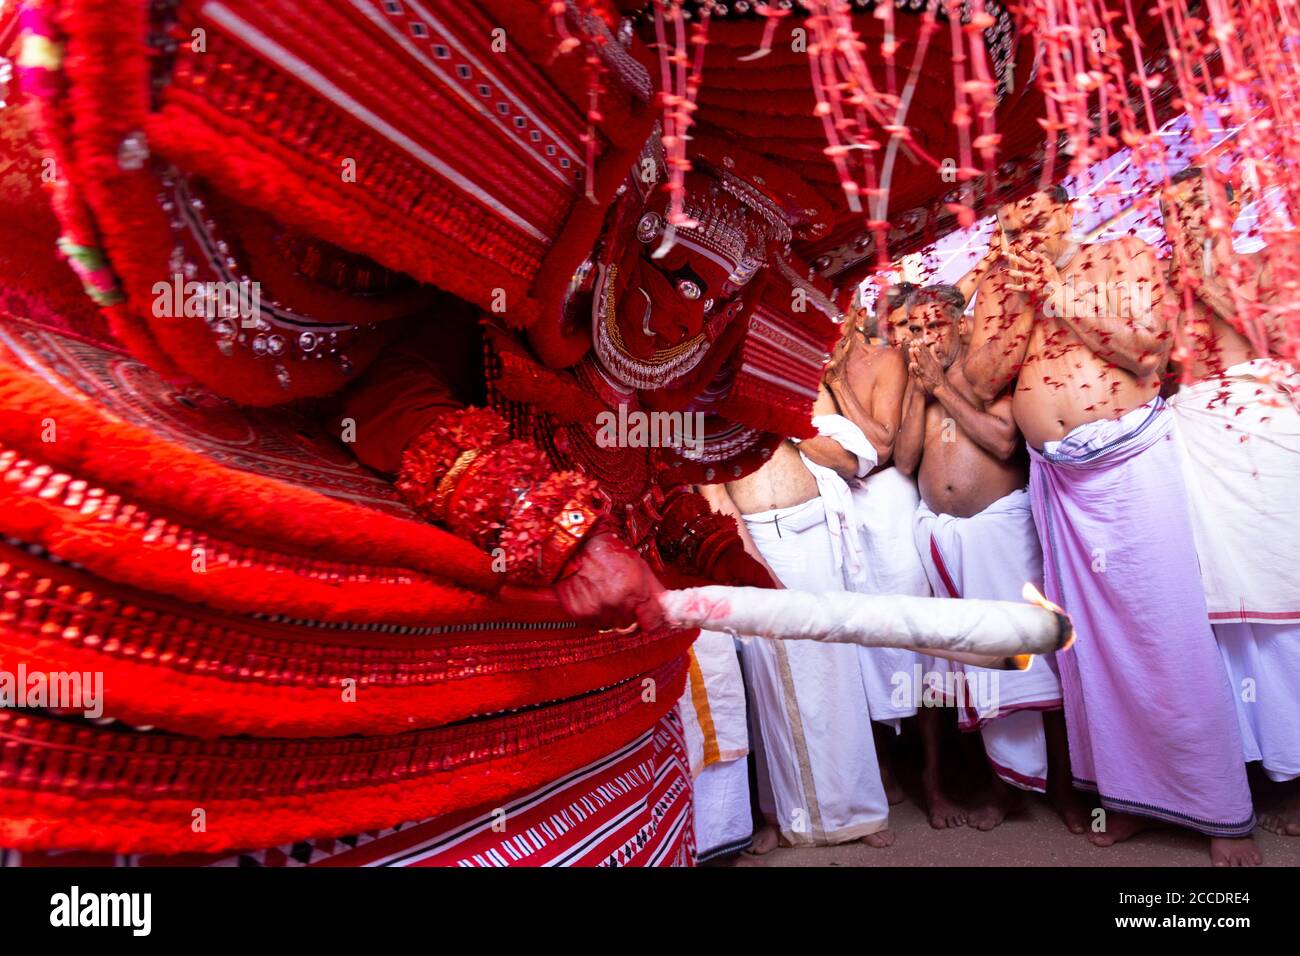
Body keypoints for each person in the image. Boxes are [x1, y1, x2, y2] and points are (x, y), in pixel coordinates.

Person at [961, 185, 1260, 865]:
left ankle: (1222, 812)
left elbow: (1150, 352)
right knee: (1088, 653)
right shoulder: (1007, 289)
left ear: (1066, 214)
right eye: (1009, 229)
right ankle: (1126, 800)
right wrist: (1019, 301)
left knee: (1167, 633)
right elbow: (981, 382)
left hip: (1129, 467)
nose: (1023, 238)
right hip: (1056, 480)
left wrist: (1060, 294)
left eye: (1033, 221)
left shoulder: (1120, 255)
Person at [896, 284, 1083, 832]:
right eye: (914, 329)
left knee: (1035, 659)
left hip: (1002, 532)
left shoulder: (990, 370)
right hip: (946, 540)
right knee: (961, 667)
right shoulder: (921, 382)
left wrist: (942, 389)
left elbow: (1003, 442)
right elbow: (906, 458)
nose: (925, 338)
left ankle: (1065, 789)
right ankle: (999, 787)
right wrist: (917, 391)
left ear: (962, 323)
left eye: (934, 326)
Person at [1163, 167, 1300, 836]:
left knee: (1285, 610)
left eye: (1199, 204)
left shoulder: (1269, 261)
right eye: (1174, 208)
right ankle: (1237, 771)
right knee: (1210, 613)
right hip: (1191, 437)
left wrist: (1201, 273)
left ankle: (1297, 771)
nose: (1184, 217)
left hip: (1264, 431)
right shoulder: (1161, 286)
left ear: (1234, 204)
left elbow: (1278, 338)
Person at [712, 384, 896, 849]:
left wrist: (781, 414)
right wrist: (750, 562)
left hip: (814, 533)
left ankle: (860, 813)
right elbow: (715, 493)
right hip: (759, 541)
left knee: (836, 678)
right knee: (769, 681)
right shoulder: (704, 398)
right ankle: (780, 819)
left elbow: (850, 459)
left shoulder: (797, 384)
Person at [824, 285, 923, 809]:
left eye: (834, 316)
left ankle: (932, 775)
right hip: (845, 507)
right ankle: (881, 765)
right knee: (861, 636)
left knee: (911, 629)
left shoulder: (886, 360)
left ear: (858, 316)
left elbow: (882, 445)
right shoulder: (818, 368)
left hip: (888, 502)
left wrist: (839, 383)